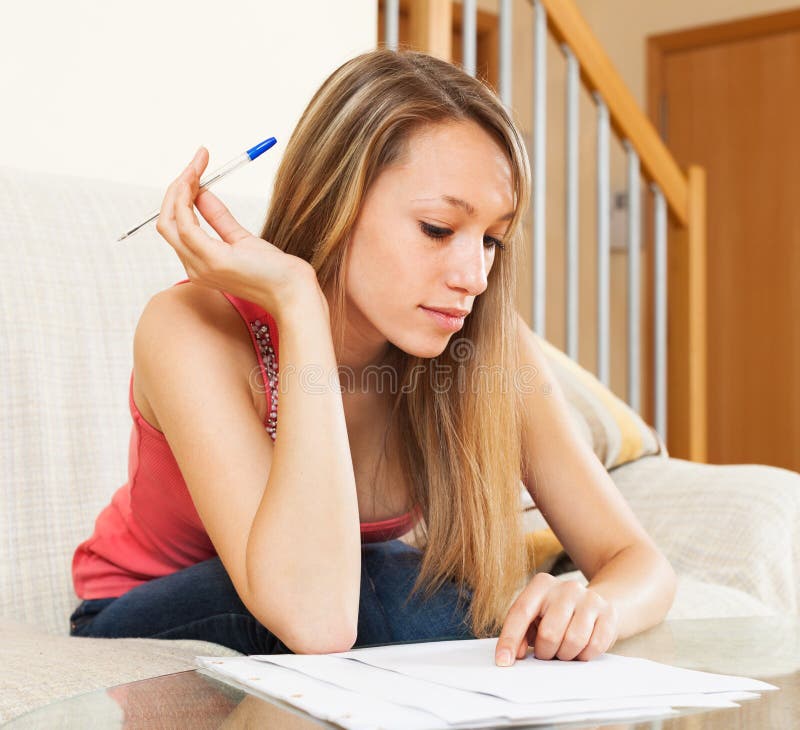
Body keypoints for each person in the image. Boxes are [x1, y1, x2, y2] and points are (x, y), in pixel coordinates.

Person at [70, 48, 676, 665]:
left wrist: (598, 607)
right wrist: (297, 301)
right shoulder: (190, 329)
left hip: (338, 603)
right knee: (400, 590)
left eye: (492, 240)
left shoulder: (485, 344)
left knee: (428, 595)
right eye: (438, 229)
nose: (474, 276)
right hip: (144, 613)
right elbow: (317, 620)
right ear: (338, 200)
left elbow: (637, 563)